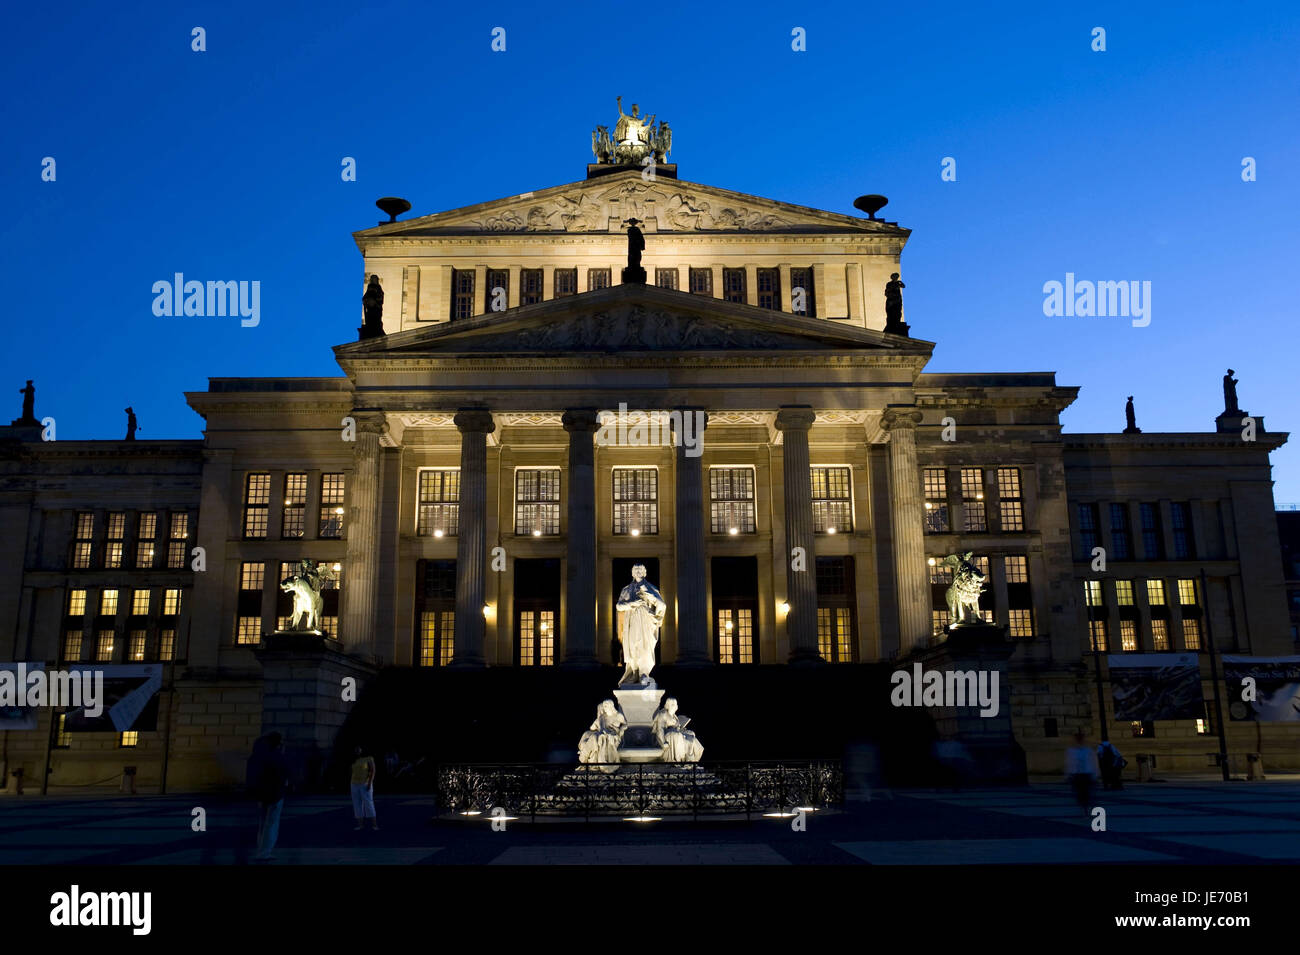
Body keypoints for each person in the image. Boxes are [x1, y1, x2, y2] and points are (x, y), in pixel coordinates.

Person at [251, 732, 288, 861]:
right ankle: (265, 852)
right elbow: (283, 773)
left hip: (262, 793)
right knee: (271, 824)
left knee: (263, 823)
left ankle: (261, 850)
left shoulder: (259, 755)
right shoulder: (278, 756)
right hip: (275, 793)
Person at [1064, 731, 1099, 818]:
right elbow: (1069, 763)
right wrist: (1068, 775)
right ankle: (1085, 807)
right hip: (1077, 774)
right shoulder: (1071, 751)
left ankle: (1086, 808)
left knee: (1086, 793)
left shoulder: (1088, 750)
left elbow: (1093, 762)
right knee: (1080, 793)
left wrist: (1095, 774)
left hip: (1086, 774)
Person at [350, 746, 378, 831]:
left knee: (368, 803)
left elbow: (373, 770)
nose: (357, 751)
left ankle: (374, 825)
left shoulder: (369, 758)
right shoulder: (354, 760)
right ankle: (360, 825)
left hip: (365, 784)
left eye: (359, 749)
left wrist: (370, 782)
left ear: (362, 750)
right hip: (354, 784)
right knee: (357, 804)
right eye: (356, 749)